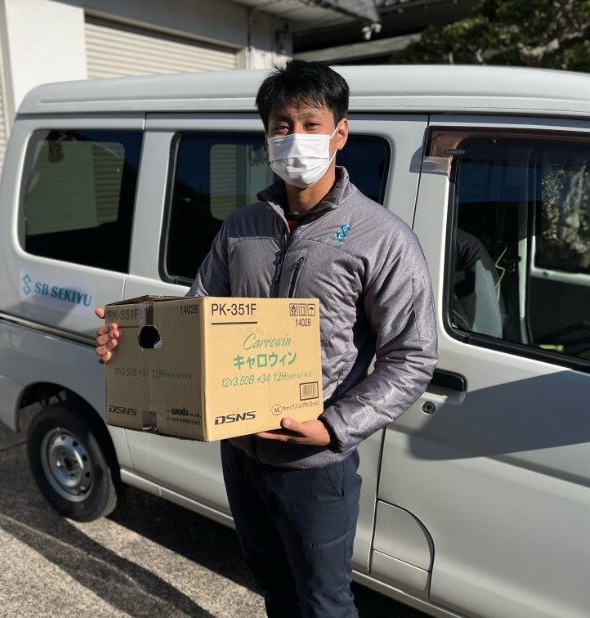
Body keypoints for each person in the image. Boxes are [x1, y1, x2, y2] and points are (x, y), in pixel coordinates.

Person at [95, 60, 438, 617]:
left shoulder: (383, 237)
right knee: (274, 590)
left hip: (314, 468)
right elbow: (193, 323)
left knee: (325, 602)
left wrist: (333, 427)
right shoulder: (241, 228)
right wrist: (128, 342)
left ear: (340, 133)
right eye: (282, 125)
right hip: (241, 452)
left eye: (310, 124)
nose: (295, 137)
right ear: (266, 137)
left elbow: (412, 356)